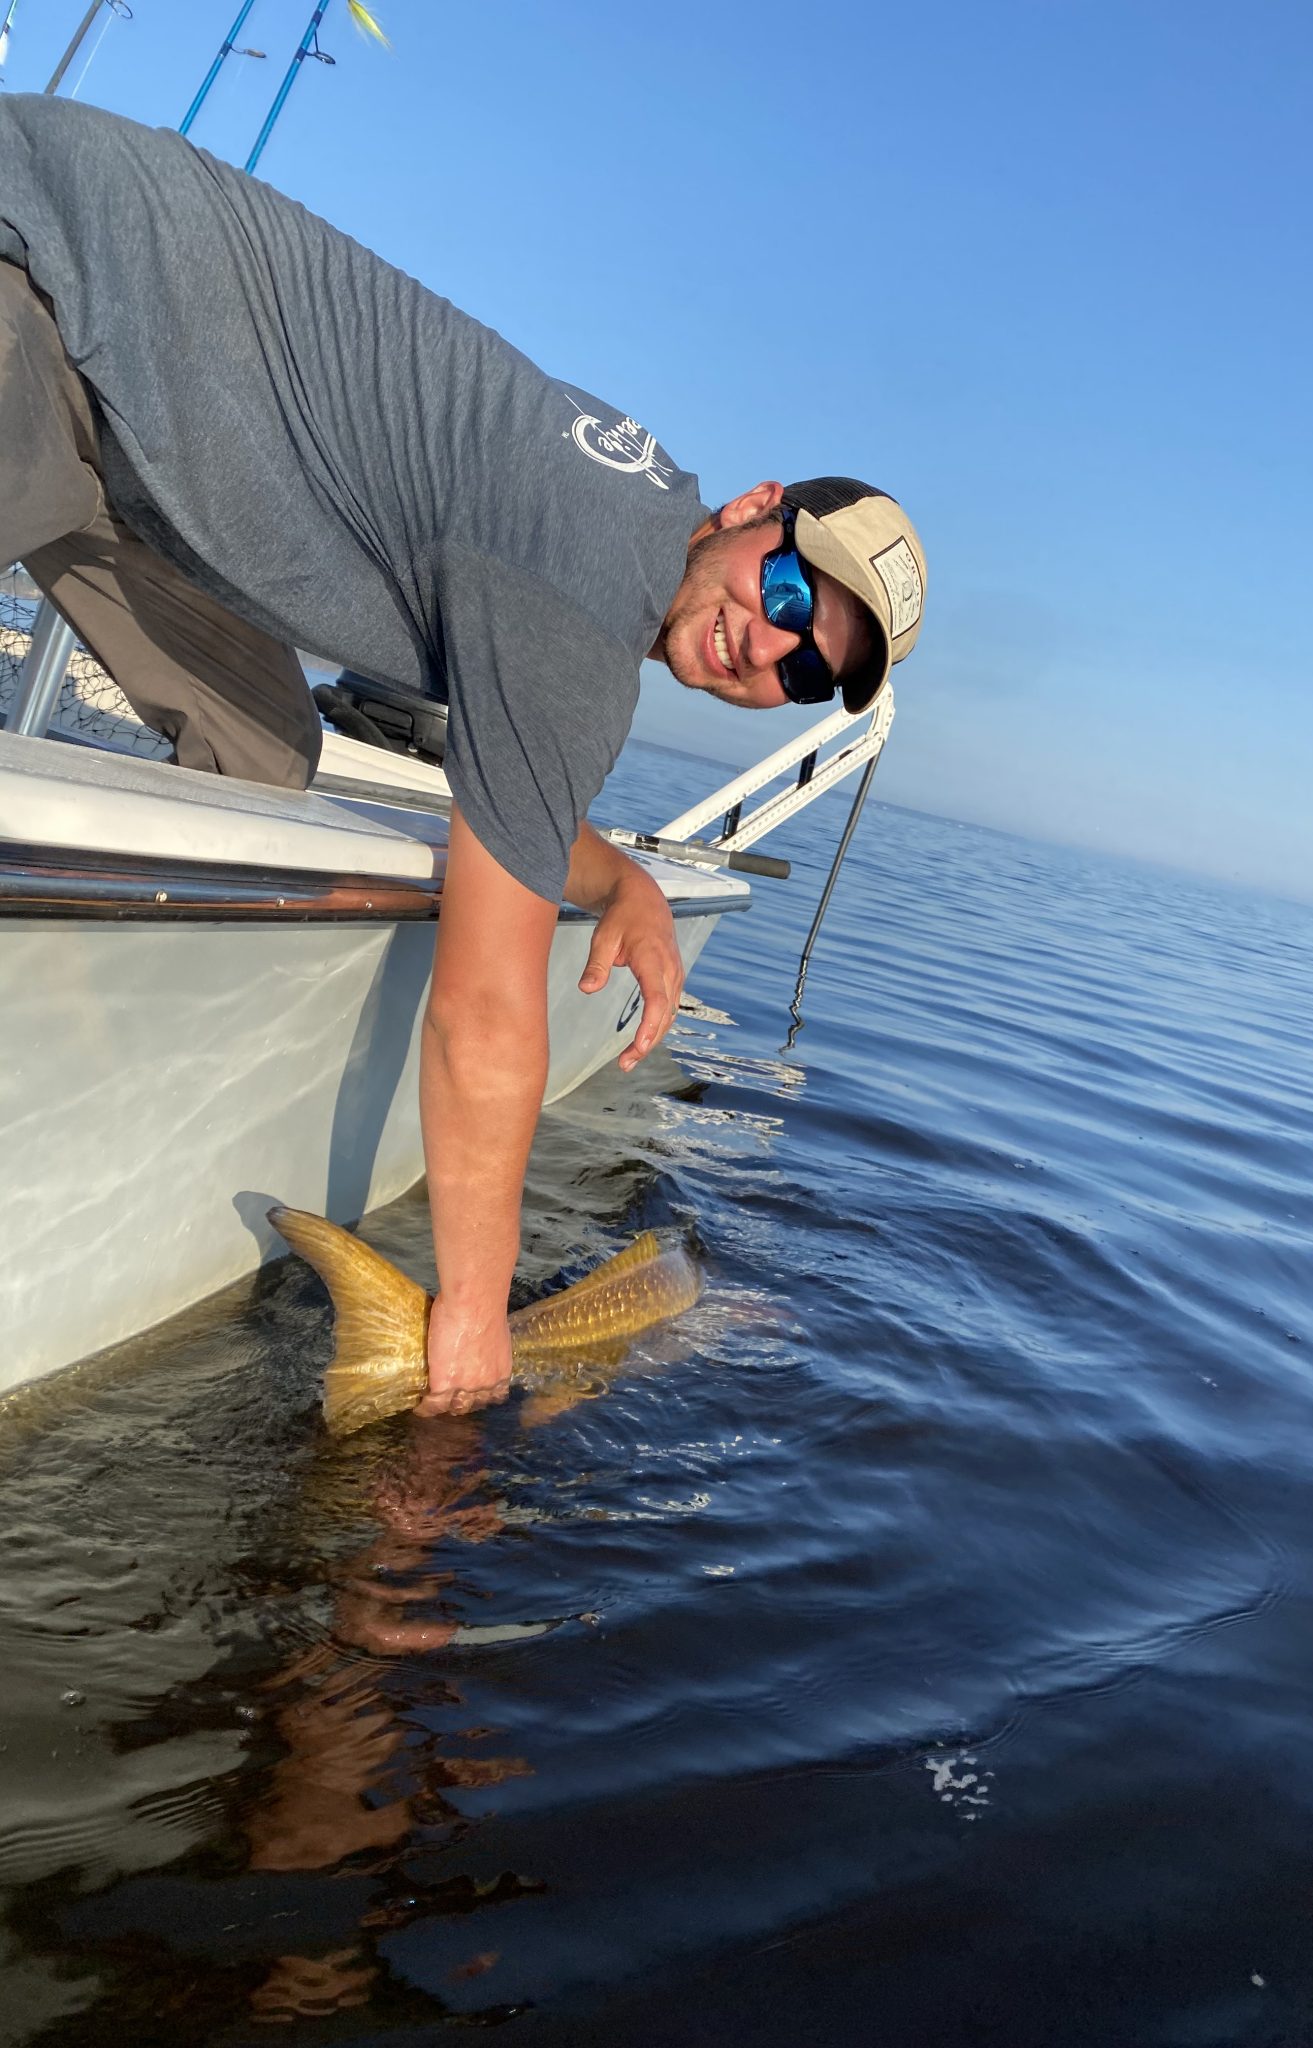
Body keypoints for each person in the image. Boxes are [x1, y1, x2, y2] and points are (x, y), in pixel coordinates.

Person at [0, 93, 927, 1417]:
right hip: (41, 269)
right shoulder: (578, 597)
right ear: (756, 511)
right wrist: (474, 1328)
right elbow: (485, 1013)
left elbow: (517, 795)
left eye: (811, 671)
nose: (768, 652)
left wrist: (623, 884)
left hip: (131, 452)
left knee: (260, 752)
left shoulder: (628, 518)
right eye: (790, 602)